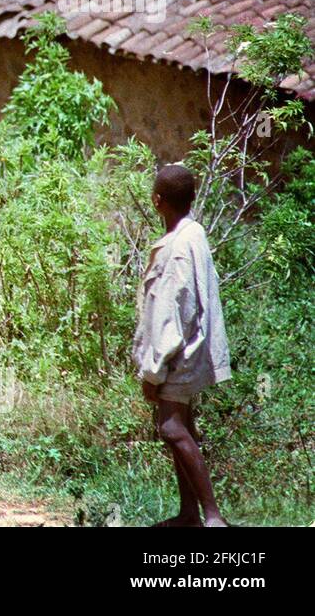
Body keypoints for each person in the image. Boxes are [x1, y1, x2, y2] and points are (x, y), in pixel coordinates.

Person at [133, 164, 232, 527]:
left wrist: (153, 371)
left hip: (181, 353)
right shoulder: (194, 232)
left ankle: (213, 517)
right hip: (195, 347)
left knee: (171, 429)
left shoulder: (176, 248)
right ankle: (190, 514)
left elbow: (169, 316)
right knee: (183, 426)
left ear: (157, 201)